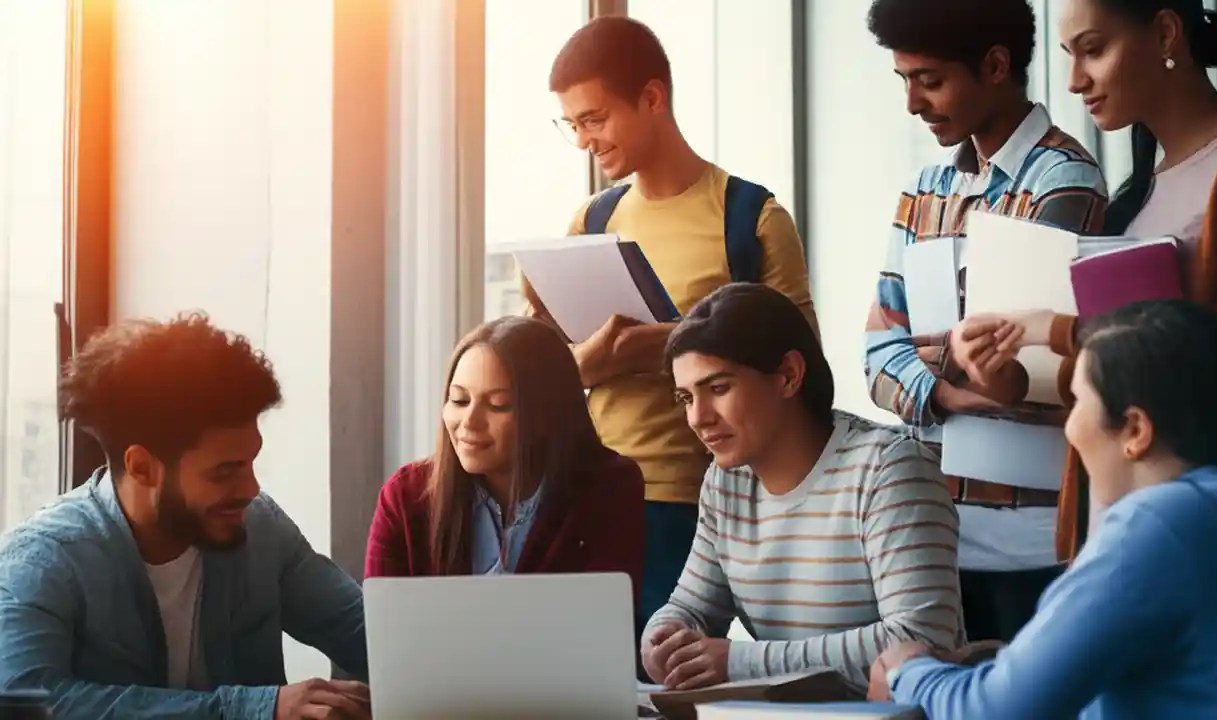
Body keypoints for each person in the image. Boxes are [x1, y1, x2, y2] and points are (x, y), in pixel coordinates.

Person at [955, 0, 1217, 560]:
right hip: (1117, 522)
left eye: (1094, 50)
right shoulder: (1134, 196)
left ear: (1165, 33)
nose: (1076, 81)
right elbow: (1115, 381)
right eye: (1069, 56)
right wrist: (1010, 372)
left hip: (1201, 526)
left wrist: (1057, 330)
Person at [526, 16, 818, 634]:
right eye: (572, 124)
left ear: (653, 98)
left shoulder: (751, 218)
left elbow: (806, 369)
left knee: (676, 681)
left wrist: (675, 346)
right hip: (591, 497)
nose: (584, 140)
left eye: (595, 119)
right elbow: (546, 376)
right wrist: (594, 363)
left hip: (706, 502)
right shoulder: (591, 223)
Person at [870, 300, 1217, 718]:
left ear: (1135, 430)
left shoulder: (1159, 526)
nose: (1071, 425)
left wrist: (908, 671)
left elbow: (994, 711)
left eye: (1079, 400)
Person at [863, 0, 1110, 644]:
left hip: (1034, 542)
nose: (914, 103)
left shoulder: (1065, 181)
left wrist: (929, 355)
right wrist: (951, 382)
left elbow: (1032, 373)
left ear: (996, 65)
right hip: (929, 537)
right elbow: (874, 356)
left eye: (930, 79)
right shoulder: (924, 188)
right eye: (904, 81)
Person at [0, 314, 369, 720]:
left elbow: (364, 634)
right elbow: (23, 701)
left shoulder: (261, 528)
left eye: (251, 462)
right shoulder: (43, 559)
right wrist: (250, 710)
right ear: (142, 467)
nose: (250, 489)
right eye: (224, 472)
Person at [640, 284, 961, 693]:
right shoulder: (727, 482)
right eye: (686, 397)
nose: (698, 418)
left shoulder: (891, 470)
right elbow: (690, 607)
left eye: (718, 389)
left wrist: (739, 662)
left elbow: (920, 641)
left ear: (789, 375)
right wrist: (663, 638)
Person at [364, 317, 643, 592]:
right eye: (459, 400)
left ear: (548, 413)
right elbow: (383, 627)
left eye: (498, 405)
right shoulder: (406, 495)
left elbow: (603, 621)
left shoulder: (609, 487)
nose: (470, 422)